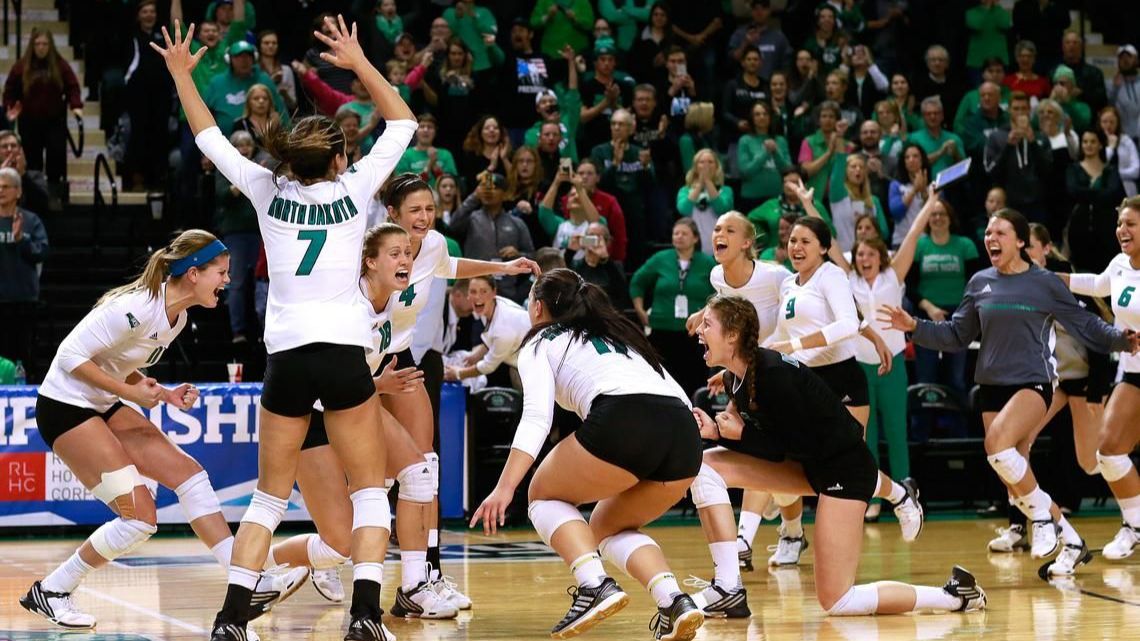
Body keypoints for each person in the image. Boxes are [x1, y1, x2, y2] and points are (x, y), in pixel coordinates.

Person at [155, 17, 417, 640]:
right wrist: (356, 62)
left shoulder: (267, 190)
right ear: (337, 157)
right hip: (343, 356)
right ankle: (363, 618)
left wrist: (181, 75)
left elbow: (208, 136)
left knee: (268, 500)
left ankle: (229, 621)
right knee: (370, 494)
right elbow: (403, 121)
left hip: (288, 359)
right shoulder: (354, 192)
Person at [19, 230, 305, 630]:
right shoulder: (135, 307)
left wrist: (165, 395)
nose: (226, 281)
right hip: (65, 408)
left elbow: (115, 361)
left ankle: (247, 579)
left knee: (190, 477)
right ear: (193, 273)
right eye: (220, 273)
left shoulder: (178, 318)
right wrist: (129, 393)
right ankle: (53, 590)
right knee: (139, 519)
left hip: (101, 403)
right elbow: (69, 358)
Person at [687, 294, 987, 617]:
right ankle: (727, 588)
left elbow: (785, 447)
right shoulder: (737, 377)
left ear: (732, 335)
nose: (699, 330)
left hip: (842, 471)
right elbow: (778, 447)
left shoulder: (773, 374)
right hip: (812, 464)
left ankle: (955, 595)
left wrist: (738, 434)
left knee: (837, 601)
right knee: (706, 466)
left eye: (707, 324)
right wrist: (717, 434)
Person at [880, 208, 1140, 576]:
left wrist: (1121, 340)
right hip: (991, 384)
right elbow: (956, 335)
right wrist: (914, 326)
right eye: (988, 233)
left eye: (1000, 233)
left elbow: (1085, 324)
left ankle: (1042, 521)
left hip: (1033, 380)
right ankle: (1073, 541)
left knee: (997, 446)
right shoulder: (979, 282)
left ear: (1020, 241)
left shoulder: (1044, 282)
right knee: (1014, 475)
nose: (991, 239)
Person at [471, 268, 706, 641]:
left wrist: (505, 487)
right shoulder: (622, 336)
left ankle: (594, 585)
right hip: (684, 436)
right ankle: (673, 600)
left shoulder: (541, 339)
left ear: (537, 307)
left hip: (626, 418)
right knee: (608, 527)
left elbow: (536, 417)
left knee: (542, 496)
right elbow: (675, 395)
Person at [266, 223, 458, 618]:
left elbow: (446, 268)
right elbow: (323, 377)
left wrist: (504, 270)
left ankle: (414, 588)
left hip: (354, 400)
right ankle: (261, 568)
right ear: (369, 262)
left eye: (408, 252)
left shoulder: (399, 301)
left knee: (419, 474)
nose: (405, 259)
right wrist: (380, 383)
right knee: (337, 543)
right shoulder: (348, 304)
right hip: (312, 409)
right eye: (395, 253)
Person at [381, 173, 539, 601]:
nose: (425, 217)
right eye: (415, 210)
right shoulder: (371, 249)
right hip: (367, 361)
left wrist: (503, 267)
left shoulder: (432, 244)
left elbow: (450, 266)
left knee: (423, 465)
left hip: (412, 356)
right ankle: (335, 557)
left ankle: (425, 575)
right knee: (373, 475)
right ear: (391, 213)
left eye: (430, 209)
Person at [988, 222, 1110, 552]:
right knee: (1014, 444)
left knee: (1094, 460)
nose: (1024, 253)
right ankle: (1019, 524)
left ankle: (1133, 513)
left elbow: (1098, 335)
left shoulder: (1064, 283)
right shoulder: (1018, 286)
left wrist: (1098, 391)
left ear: (1045, 249)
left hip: (1085, 382)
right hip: (1053, 381)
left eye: (1030, 248)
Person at [823, 186, 938, 520]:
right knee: (865, 434)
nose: (864, 259)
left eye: (870, 254)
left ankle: (907, 492)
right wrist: (806, 201)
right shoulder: (847, 279)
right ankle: (871, 495)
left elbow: (914, 233)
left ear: (880, 256)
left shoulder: (893, 275)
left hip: (894, 363)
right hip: (858, 365)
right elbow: (828, 240)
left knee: (897, 431)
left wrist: (929, 202)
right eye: (859, 254)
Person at [1060, 197, 1140, 560]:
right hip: (1133, 373)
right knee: (1108, 451)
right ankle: (1135, 525)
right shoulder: (1121, 264)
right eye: (1121, 223)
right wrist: (1047, 278)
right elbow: (1097, 284)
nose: (1122, 230)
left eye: (1131, 225)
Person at [908, 197, 979, 436]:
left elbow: (974, 284)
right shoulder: (919, 245)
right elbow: (910, 285)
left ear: (950, 219)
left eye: (942, 214)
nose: (937, 218)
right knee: (925, 378)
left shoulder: (965, 245)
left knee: (956, 379)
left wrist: (961, 313)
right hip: (926, 315)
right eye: (933, 214)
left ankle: (959, 435)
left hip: (958, 317)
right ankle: (922, 435)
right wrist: (929, 308)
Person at [629, 218, 717, 398]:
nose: (679, 237)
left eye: (684, 233)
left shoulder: (707, 262)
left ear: (695, 238)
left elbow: (720, 292)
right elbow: (637, 281)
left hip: (695, 334)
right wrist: (639, 309)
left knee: (693, 380)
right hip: (662, 332)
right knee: (662, 379)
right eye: (676, 233)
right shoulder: (661, 258)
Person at [2, 28, 82, 184]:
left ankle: (54, 190)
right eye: (37, 44)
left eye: (45, 44)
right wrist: (9, 107)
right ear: (32, 45)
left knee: (56, 155)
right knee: (32, 159)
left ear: (50, 45)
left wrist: (76, 105)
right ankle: (34, 192)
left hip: (54, 120)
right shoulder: (21, 66)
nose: (41, 47)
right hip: (29, 120)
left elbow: (72, 86)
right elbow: (9, 90)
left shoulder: (60, 65)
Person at [0, 167, 47, 380]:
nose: (1, 190)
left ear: (18, 191)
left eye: (6, 186)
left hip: (24, 300)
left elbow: (42, 252)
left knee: (25, 354)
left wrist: (22, 240)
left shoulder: (31, 221)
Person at [444, 275, 531, 385]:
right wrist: (475, 357)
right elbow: (490, 338)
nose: (478, 297)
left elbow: (488, 366)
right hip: (521, 363)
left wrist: (458, 373)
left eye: (483, 291)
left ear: (494, 292)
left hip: (540, 368)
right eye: (473, 292)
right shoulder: (491, 306)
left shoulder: (503, 329)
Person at [1068, 129, 1126, 274]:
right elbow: (1073, 191)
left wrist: (1086, 193)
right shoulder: (1073, 168)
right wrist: (1100, 192)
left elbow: (1113, 193)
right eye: (1085, 142)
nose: (1089, 145)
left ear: (1101, 145)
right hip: (1079, 227)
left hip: (1106, 228)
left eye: (1093, 141)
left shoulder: (1110, 169)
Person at [737, 101, 792, 214]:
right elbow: (745, 171)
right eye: (757, 114)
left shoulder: (780, 140)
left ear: (771, 117)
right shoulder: (745, 140)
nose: (762, 117)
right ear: (752, 118)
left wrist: (776, 152)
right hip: (751, 198)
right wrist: (765, 153)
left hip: (776, 195)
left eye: (765, 114)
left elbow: (788, 170)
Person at [677, 149, 734, 256]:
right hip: (693, 248)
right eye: (702, 162)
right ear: (696, 167)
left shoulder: (726, 190)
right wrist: (700, 185)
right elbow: (684, 209)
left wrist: (708, 182)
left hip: (720, 247)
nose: (706, 166)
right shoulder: (685, 191)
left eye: (710, 162)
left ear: (717, 167)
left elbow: (721, 208)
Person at [827, 152, 888, 252]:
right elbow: (836, 175)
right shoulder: (838, 196)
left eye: (861, 167)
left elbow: (884, 232)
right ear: (845, 171)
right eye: (853, 166)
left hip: (868, 256)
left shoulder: (874, 201)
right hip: (844, 255)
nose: (858, 169)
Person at [888, 143, 932, 249]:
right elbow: (896, 213)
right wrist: (914, 190)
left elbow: (935, 213)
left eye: (915, 156)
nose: (911, 160)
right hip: (902, 241)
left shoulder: (933, 185)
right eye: (907, 157)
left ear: (922, 160)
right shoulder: (896, 185)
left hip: (927, 240)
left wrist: (924, 192)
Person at [1100, 106, 1139, 197]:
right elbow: (1102, 169)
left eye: (1112, 122)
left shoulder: (1126, 140)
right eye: (1105, 122)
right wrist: (1111, 147)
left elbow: (1136, 170)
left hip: (1127, 189)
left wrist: (1116, 175)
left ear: (1118, 123)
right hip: (1106, 191)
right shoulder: (1096, 142)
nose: (1108, 125)